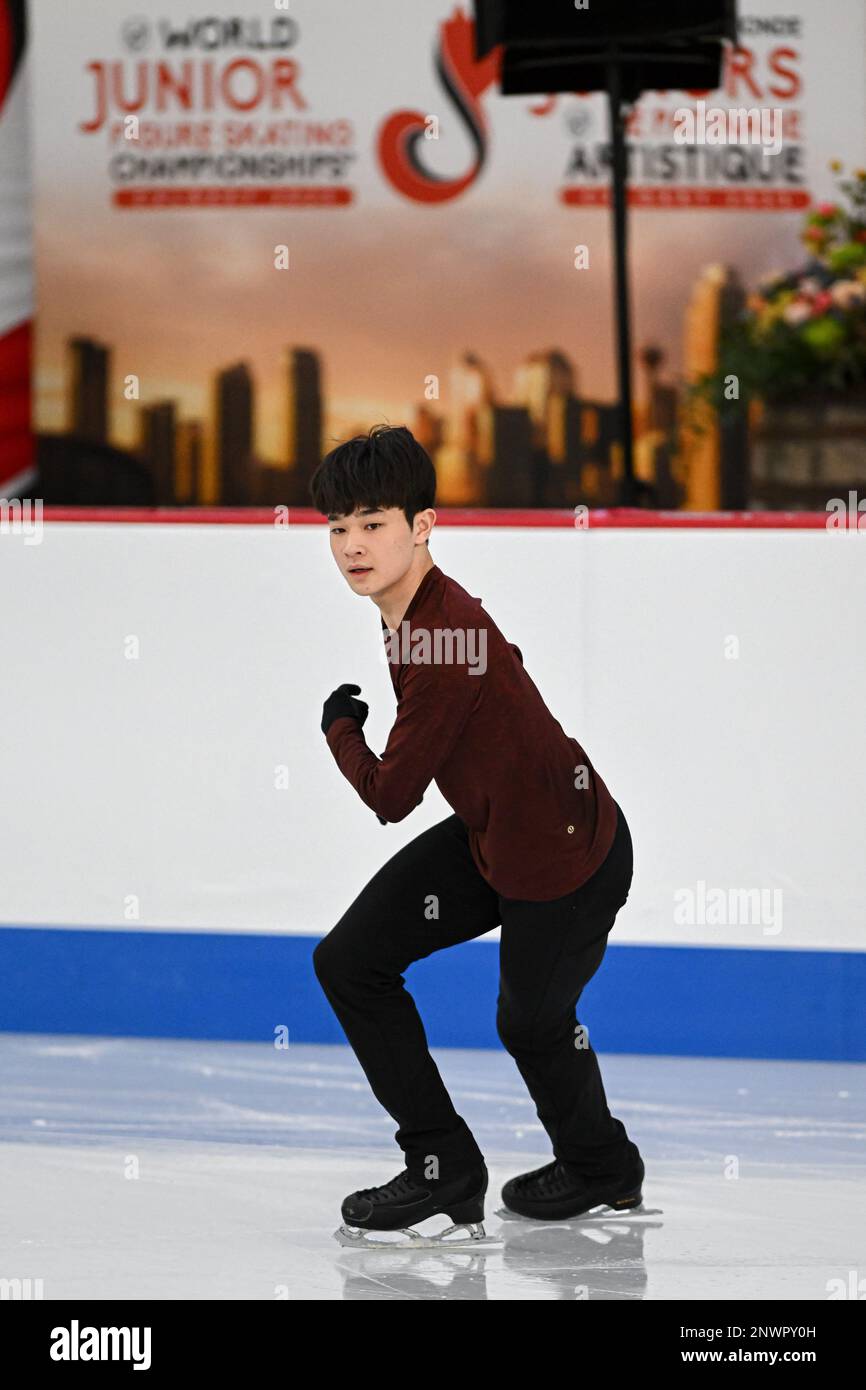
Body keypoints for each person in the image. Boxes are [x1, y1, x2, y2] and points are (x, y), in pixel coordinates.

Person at [310, 423, 643, 1242]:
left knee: (529, 1023)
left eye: (373, 523)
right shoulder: (420, 613)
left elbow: (392, 795)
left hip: (566, 856)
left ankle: (603, 1167)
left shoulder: (441, 636)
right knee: (351, 962)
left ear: (422, 526)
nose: (352, 545)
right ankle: (442, 1166)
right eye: (338, 527)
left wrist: (340, 730)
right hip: (498, 833)